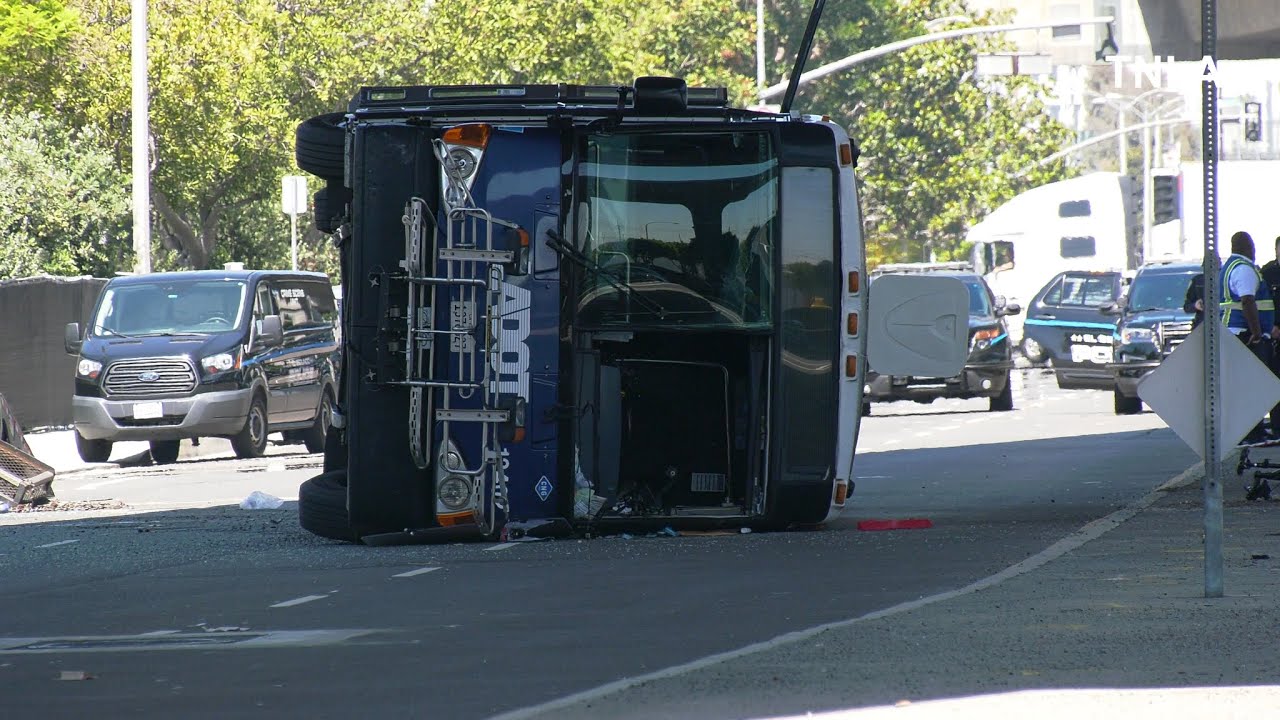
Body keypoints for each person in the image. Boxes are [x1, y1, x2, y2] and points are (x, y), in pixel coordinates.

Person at [1221, 231, 1277, 442]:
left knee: (1246, 384)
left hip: (1236, 333)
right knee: (1253, 385)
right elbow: (1247, 301)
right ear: (1247, 247)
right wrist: (1256, 332)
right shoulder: (1243, 269)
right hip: (1246, 335)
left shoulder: (1229, 268)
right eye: (1252, 245)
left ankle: (1253, 430)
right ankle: (1253, 432)